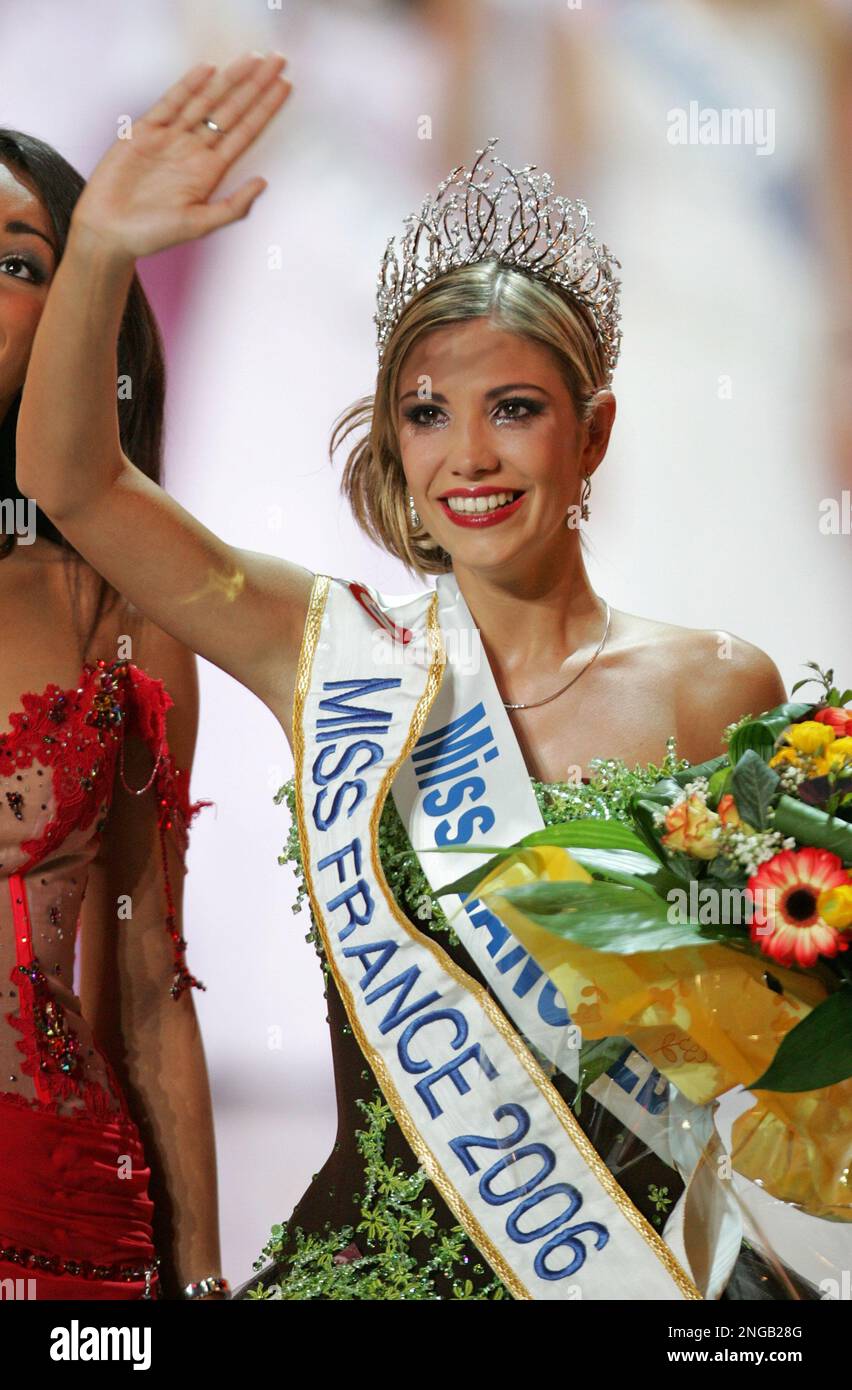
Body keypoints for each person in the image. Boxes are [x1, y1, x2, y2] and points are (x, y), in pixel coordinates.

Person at [14, 51, 801, 1300]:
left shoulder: (715, 690)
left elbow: (783, 1030)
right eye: (429, 412)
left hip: (631, 1273)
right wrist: (101, 245)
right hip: (369, 1268)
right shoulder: (324, 647)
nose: (469, 455)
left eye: (517, 409)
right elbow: (75, 483)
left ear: (591, 430)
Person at [0, 128, 224, 1300]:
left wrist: (198, 1282)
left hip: (60, 1230)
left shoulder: (123, 614)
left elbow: (145, 983)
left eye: (20, 261)